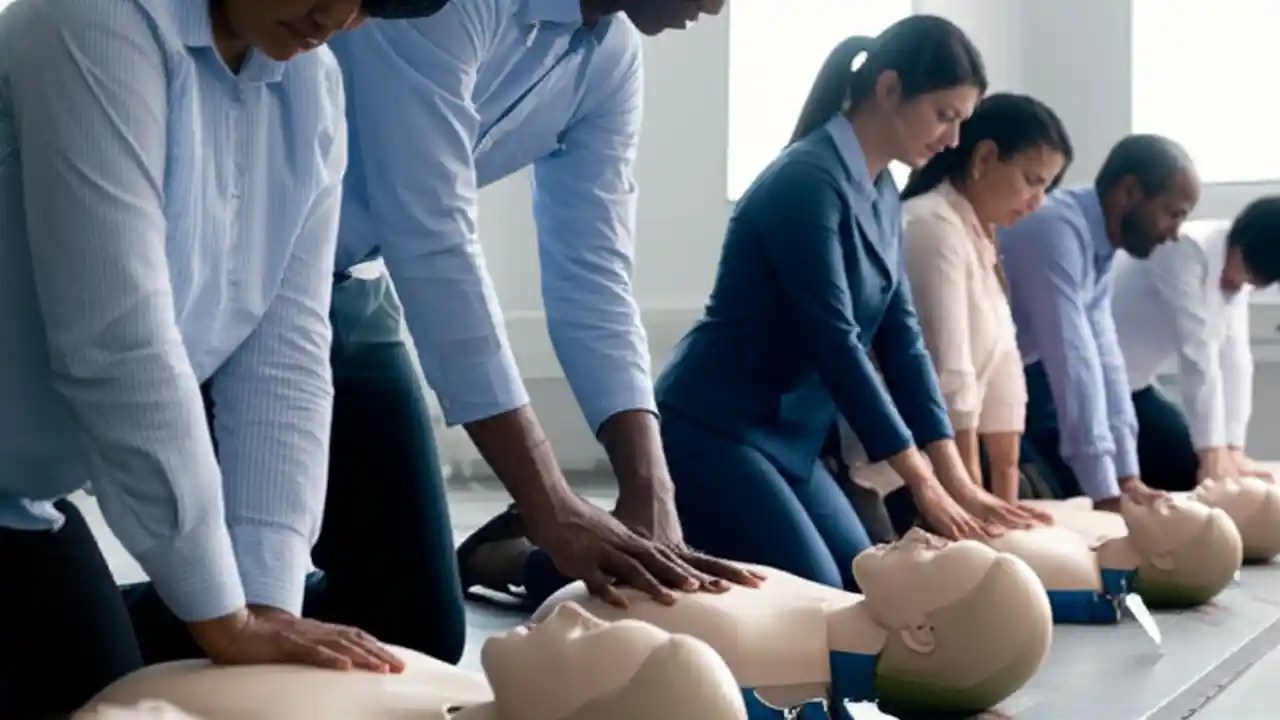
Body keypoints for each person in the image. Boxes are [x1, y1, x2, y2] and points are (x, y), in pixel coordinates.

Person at [0, 0, 448, 716]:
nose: (338, 14)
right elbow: (117, 342)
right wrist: (223, 621)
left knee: (114, 687)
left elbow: (286, 352)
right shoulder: (91, 21)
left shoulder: (311, 87)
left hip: (23, 501)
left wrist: (266, 604)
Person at [326, 0, 759, 620]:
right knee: (231, 590)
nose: (717, 7)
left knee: (418, 620)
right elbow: (431, 236)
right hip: (240, 279)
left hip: (353, 287)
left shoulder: (611, 58)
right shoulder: (457, 6)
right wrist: (547, 498)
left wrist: (650, 491)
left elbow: (594, 275)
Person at [647, 16, 1049, 594]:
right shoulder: (805, 181)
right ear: (888, 90)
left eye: (962, 121)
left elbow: (901, 340)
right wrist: (920, 481)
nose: (954, 140)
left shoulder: (883, 190)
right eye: (944, 115)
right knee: (817, 595)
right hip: (717, 427)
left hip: (793, 442)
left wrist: (956, 479)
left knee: (861, 588)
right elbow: (835, 343)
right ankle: (534, 558)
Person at [998, 134, 1201, 511]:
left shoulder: (1103, 242)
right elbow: (1073, 362)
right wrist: (1106, 495)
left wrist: (1127, 477)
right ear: (1129, 192)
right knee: (1048, 502)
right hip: (973, 386)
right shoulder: (1055, 232)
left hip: (1021, 375)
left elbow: (1105, 358)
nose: (1175, 233)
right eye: (1173, 213)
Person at [894, 93, 1074, 505]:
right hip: (906, 473)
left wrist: (1005, 504)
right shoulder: (930, 227)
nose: (1038, 202)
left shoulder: (978, 235)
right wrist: (972, 499)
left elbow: (1004, 385)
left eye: (1046, 187)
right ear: (984, 159)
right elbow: (949, 378)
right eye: (1032, 180)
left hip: (950, 468)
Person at [1111, 197, 1280, 490]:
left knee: (1187, 465)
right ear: (1240, 244)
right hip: (1083, 384)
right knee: (1187, 469)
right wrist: (1212, 452)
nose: (1241, 284)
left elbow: (1235, 357)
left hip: (1132, 385)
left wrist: (1233, 446)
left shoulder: (1240, 270)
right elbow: (1197, 355)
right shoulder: (1183, 249)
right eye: (1250, 273)